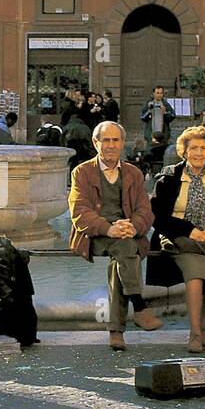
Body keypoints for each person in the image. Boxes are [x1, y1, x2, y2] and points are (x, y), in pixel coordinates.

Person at [68, 120, 162, 351]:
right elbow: (79, 211)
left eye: (115, 140)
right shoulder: (81, 172)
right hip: (94, 235)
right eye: (106, 140)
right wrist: (108, 228)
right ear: (95, 142)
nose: (111, 145)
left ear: (122, 143)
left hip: (126, 234)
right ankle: (139, 307)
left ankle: (117, 332)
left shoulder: (134, 173)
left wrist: (134, 226)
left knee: (122, 253)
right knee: (125, 248)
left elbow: (144, 210)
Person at [149, 126, 205, 352]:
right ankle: (194, 333)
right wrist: (190, 230)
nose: (199, 152)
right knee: (194, 275)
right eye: (193, 148)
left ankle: (203, 326)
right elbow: (158, 217)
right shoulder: (168, 178)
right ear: (184, 151)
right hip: (179, 240)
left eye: (203, 148)